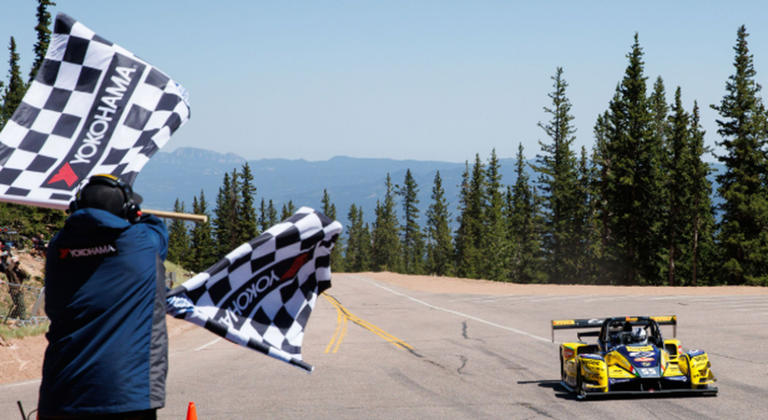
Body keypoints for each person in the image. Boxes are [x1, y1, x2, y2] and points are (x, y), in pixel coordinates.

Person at [38, 174, 169, 420]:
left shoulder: (58, 247)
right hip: (125, 394)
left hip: (61, 391)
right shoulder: (142, 243)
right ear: (128, 211)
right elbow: (157, 228)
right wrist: (137, 215)